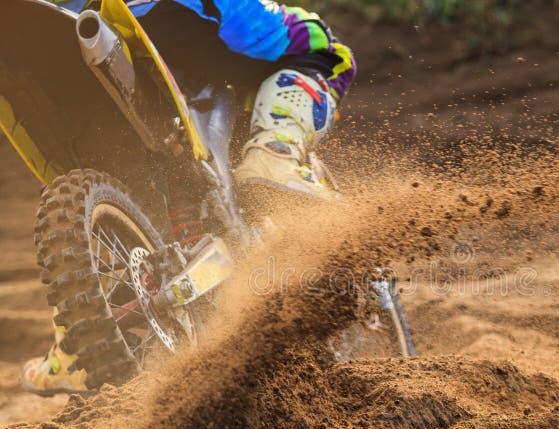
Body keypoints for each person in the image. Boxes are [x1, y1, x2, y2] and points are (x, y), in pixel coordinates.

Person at [21, 0, 356, 396]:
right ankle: (274, 155)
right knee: (326, 50)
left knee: (71, 167)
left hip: (41, 39)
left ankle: (74, 342)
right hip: (163, 13)